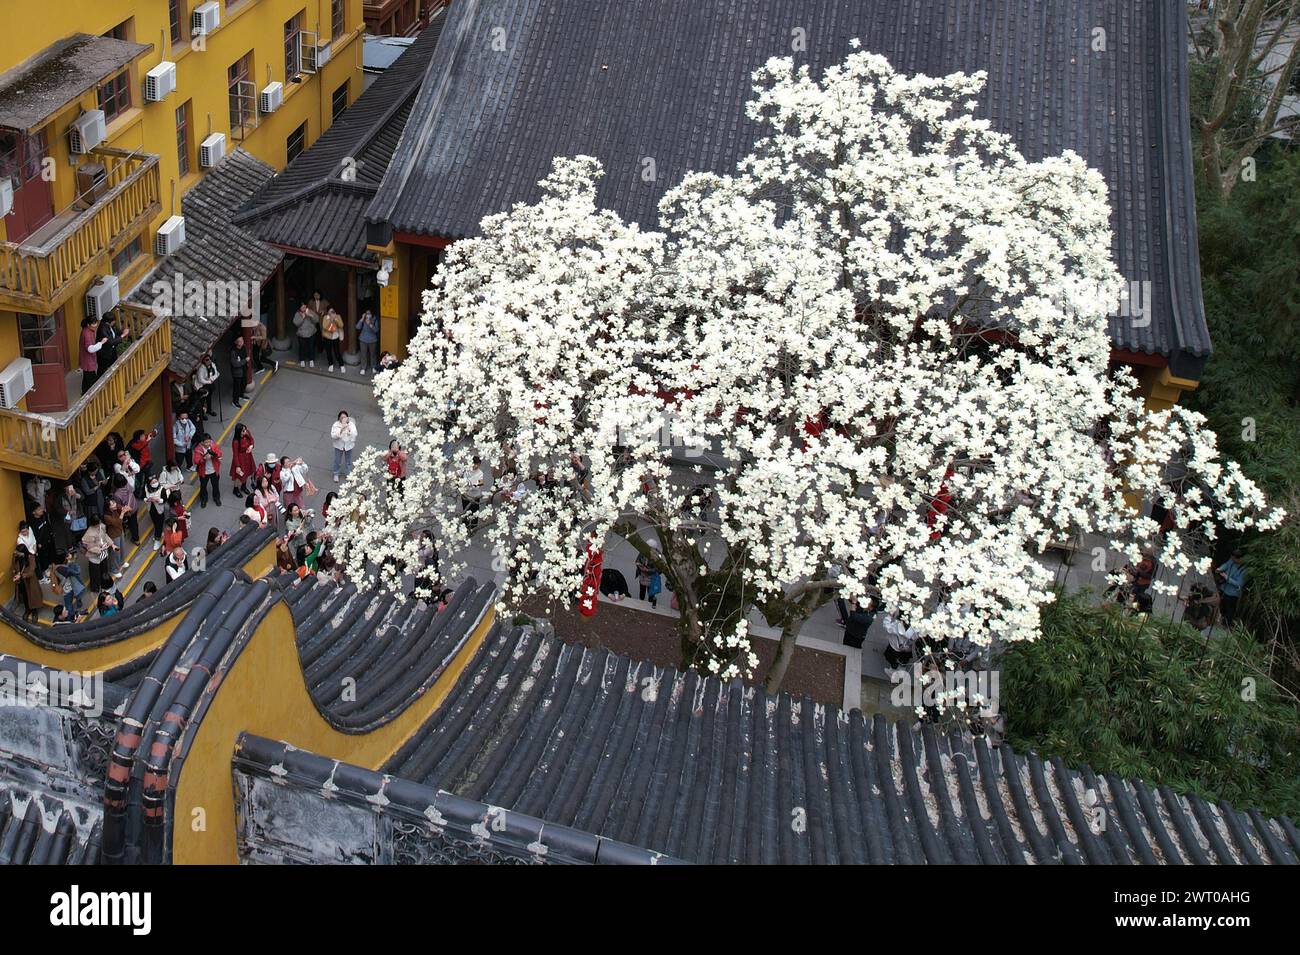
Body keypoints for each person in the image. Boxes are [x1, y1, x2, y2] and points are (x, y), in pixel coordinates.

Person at [79, 515, 117, 592]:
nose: (100, 523)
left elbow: (105, 536)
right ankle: (95, 587)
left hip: (103, 554)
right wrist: (100, 549)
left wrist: (112, 544)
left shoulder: (102, 526)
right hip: (95, 557)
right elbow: (89, 548)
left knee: (104, 571)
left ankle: (104, 585)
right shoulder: (89, 534)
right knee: (94, 574)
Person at [1215, 549, 1248, 627]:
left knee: (1229, 610)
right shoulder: (1231, 561)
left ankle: (1226, 625)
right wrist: (1220, 569)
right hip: (1224, 588)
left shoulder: (1244, 570)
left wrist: (1226, 577)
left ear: (1240, 559)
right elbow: (1226, 564)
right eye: (1232, 558)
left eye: (1234, 559)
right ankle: (1218, 620)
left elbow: (1239, 584)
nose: (1232, 560)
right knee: (1220, 606)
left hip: (1232, 594)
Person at [51, 550, 87, 619]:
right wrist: (72, 561)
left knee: (72, 599)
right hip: (68, 589)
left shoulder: (56, 566)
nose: (68, 556)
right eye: (66, 556)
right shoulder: (62, 569)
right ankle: (72, 616)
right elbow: (77, 571)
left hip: (70, 588)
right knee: (68, 605)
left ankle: (77, 607)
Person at [78, 317, 108, 395]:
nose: (95, 325)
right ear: (88, 325)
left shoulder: (87, 330)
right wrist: (101, 342)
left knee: (86, 379)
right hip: (88, 361)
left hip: (86, 360)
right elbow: (90, 349)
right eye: (93, 323)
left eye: (96, 323)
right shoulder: (87, 334)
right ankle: (94, 395)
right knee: (92, 381)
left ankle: (84, 393)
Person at [11, 544, 40, 621]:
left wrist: (21, 575)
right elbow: (13, 566)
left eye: (19, 553)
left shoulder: (30, 557)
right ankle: (27, 610)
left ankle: (34, 611)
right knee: (25, 596)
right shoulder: (16, 556)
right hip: (21, 581)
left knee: (32, 596)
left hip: (30, 581)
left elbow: (31, 571)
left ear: (24, 553)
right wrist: (15, 573)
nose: (17, 554)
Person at [192, 433, 223, 508]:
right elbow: (196, 461)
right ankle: (204, 499)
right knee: (203, 486)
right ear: (202, 442)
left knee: (215, 485)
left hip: (214, 470)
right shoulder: (198, 450)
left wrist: (215, 455)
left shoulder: (213, 445)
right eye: (206, 442)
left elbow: (219, 453)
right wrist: (204, 458)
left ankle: (216, 498)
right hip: (204, 472)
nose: (208, 444)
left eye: (209, 441)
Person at [102, 501, 129, 580]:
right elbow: (117, 522)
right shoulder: (106, 516)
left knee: (122, 549)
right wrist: (122, 513)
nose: (115, 505)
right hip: (113, 535)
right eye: (112, 504)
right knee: (115, 553)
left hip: (120, 532)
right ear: (108, 507)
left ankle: (121, 562)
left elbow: (126, 513)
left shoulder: (115, 510)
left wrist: (125, 509)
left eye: (114, 503)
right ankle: (114, 569)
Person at [330, 411, 357, 482]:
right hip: (339, 446)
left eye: (345, 417)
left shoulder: (351, 424)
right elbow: (333, 436)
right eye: (342, 417)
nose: (343, 419)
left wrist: (349, 430)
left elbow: (355, 434)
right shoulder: (336, 425)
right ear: (339, 418)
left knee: (348, 461)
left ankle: (348, 474)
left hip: (348, 446)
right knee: (337, 461)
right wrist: (341, 430)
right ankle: (336, 474)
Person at [230, 423, 256, 496]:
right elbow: (235, 454)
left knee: (247, 471)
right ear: (239, 432)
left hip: (248, 455)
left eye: (245, 429)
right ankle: (236, 488)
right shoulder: (235, 441)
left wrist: (251, 446)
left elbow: (251, 439)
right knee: (238, 475)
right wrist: (237, 465)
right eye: (243, 431)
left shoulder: (246, 433)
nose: (245, 431)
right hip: (240, 458)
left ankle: (243, 486)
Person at [28, 504, 54, 575]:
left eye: (41, 508)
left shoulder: (44, 515)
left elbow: (48, 525)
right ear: (34, 512)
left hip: (48, 539)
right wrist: (38, 543)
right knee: (43, 556)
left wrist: (51, 534)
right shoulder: (32, 523)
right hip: (41, 544)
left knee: (50, 553)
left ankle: (51, 567)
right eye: (39, 509)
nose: (41, 510)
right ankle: (45, 570)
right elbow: (34, 535)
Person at [143, 474, 167, 551]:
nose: (155, 483)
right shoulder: (146, 488)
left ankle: (157, 539)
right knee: (155, 523)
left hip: (159, 510)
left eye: (156, 481)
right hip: (151, 509)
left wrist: (157, 500)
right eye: (153, 482)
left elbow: (164, 500)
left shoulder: (162, 489)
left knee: (159, 524)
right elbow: (144, 497)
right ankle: (159, 533)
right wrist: (147, 500)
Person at [357, 310, 379, 375]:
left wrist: (370, 324)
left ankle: (373, 367)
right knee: (363, 354)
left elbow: (376, 330)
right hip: (363, 340)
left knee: (373, 354)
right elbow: (357, 327)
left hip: (372, 340)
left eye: (369, 313)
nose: (368, 315)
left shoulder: (375, 320)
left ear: (372, 314)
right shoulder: (363, 320)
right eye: (367, 313)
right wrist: (362, 319)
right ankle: (363, 368)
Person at [230, 336, 249, 407]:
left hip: (243, 370)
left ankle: (241, 395)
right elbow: (235, 364)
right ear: (236, 342)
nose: (242, 342)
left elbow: (245, 355)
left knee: (244, 383)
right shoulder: (233, 352)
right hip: (237, 373)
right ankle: (235, 401)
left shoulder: (243, 347)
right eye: (239, 341)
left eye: (242, 340)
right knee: (236, 387)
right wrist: (245, 361)